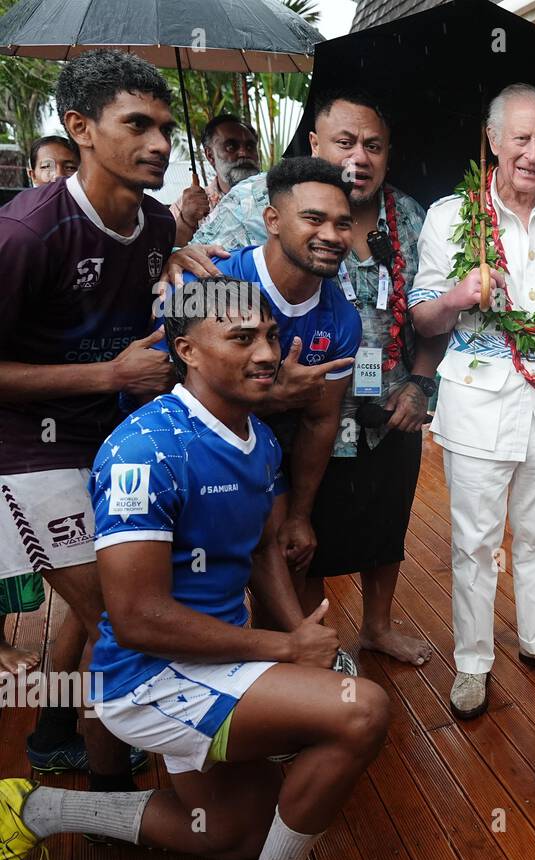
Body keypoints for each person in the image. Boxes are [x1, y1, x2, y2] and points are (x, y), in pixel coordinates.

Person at [0, 277, 390, 860]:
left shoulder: (256, 436)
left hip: (217, 660)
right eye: (241, 339)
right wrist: (285, 646)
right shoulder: (147, 450)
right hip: (148, 678)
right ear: (187, 351)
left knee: (230, 834)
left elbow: (262, 550)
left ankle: (42, 810)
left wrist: (301, 633)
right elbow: (133, 619)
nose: (266, 354)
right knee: (361, 709)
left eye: (270, 336)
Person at [192, 91, 436, 667]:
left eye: (373, 146)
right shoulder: (256, 198)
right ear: (315, 145)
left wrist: (422, 384)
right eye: (346, 142)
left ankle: (376, 627)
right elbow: (198, 276)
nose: (360, 156)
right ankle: (310, 647)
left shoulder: (410, 217)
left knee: (385, 522)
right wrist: (181, 254)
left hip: (387, 402)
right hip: (291, 408)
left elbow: (431, 313)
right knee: (298, 537)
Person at [0, 51, 178, 783]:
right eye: (137, 124)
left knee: (106, 597)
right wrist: (110, 373)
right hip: (27, 450)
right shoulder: (24, 235)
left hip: (114, 439)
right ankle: (109, 785)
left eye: (165, 127)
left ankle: (52, 731)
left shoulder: (161, 225)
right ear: (80, 128)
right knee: (123, 611)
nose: (160, 142)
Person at [409, 84, 535, 719]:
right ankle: (472, 662)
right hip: (479, 405)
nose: (532, 152)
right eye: (520, 137)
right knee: (474, 541)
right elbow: (423, 320)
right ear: (492, 141)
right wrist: (461, 296)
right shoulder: (449, 217)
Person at [166, 158, 361, 616]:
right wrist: (271, 398)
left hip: (266, 461)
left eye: (342, 223)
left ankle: (283, 662)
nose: (332, 235)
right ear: (272, 220)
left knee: (289, 556)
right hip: (178, 463)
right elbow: (156, 390)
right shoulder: (210, 284)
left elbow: (320, 417)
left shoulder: (342, 318)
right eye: (314, 219)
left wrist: (299, 516)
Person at [170, 113, 261, 246]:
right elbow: (168, 257)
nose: (243, 153)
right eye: (231, 146)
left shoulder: (277, 194)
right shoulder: (185, 207)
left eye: (250, 147)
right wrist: (186, 221)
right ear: (210, 156)